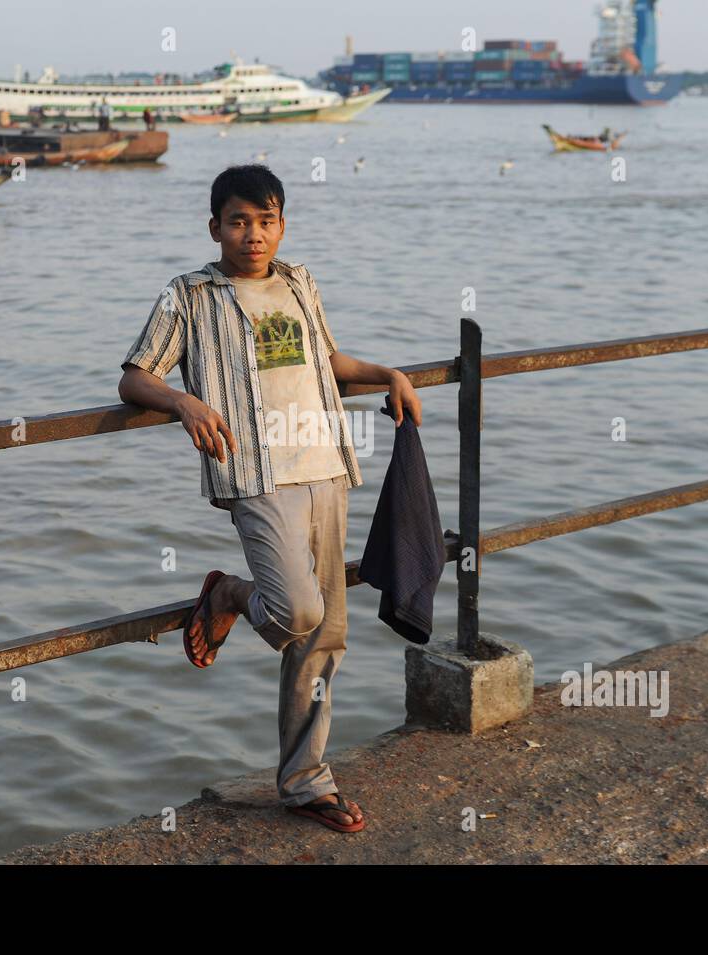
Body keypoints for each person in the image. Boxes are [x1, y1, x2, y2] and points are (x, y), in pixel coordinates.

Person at [118, 164, 422, 834]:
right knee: (296, 608)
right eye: (239, 220)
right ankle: (228, 594)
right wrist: (181, 399)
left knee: (325, 636)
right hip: (256, 474)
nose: (253, 234)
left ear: (281, 225)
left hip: (325, 466)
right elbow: (135, 377)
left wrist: (388, 375)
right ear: (216, 227)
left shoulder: (299, 283)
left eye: (266, 220)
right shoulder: (190, 295)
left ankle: (307, 781)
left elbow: (329, 365)